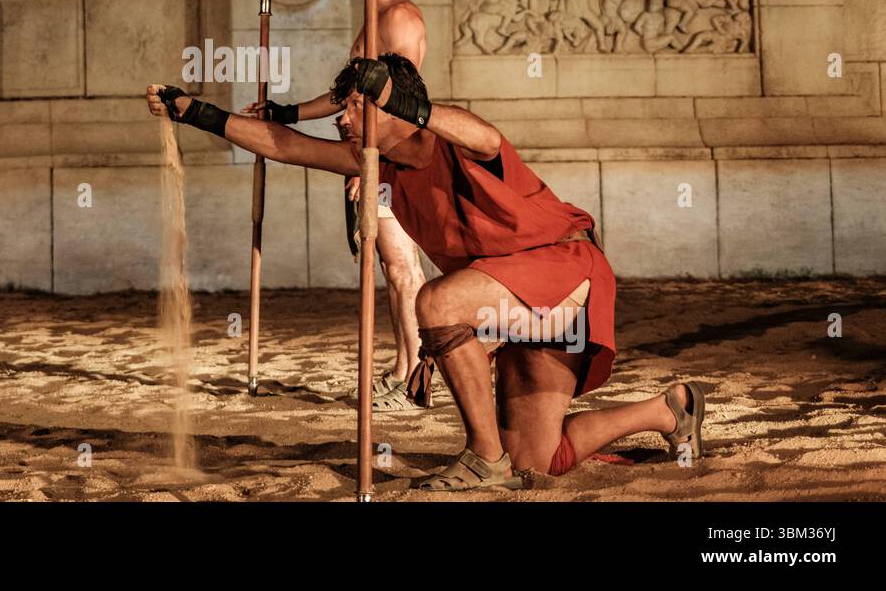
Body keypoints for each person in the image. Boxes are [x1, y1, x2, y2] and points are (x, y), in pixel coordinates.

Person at [144, 57, 706, 491]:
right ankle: (667, 409)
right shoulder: (379, 163)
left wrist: (401, 98)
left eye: (353, 107)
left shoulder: (451, 136)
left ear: (390, 108)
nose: (341, 119)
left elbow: (484, 134)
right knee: (538, 460)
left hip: (565, 273)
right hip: (512, 295)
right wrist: (197, 112)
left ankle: (482, 459)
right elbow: (288, 146)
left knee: (435, 303)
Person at [242, 0, 428, 410]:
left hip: (388, 159)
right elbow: (348, 95)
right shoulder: (374, 20)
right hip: (367, 156)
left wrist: (373, 165)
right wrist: (285, 113)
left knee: (403, 267)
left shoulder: (400, 19)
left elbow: (402, 102)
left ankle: (417, 384)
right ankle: (402, 368)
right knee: (391, 266)